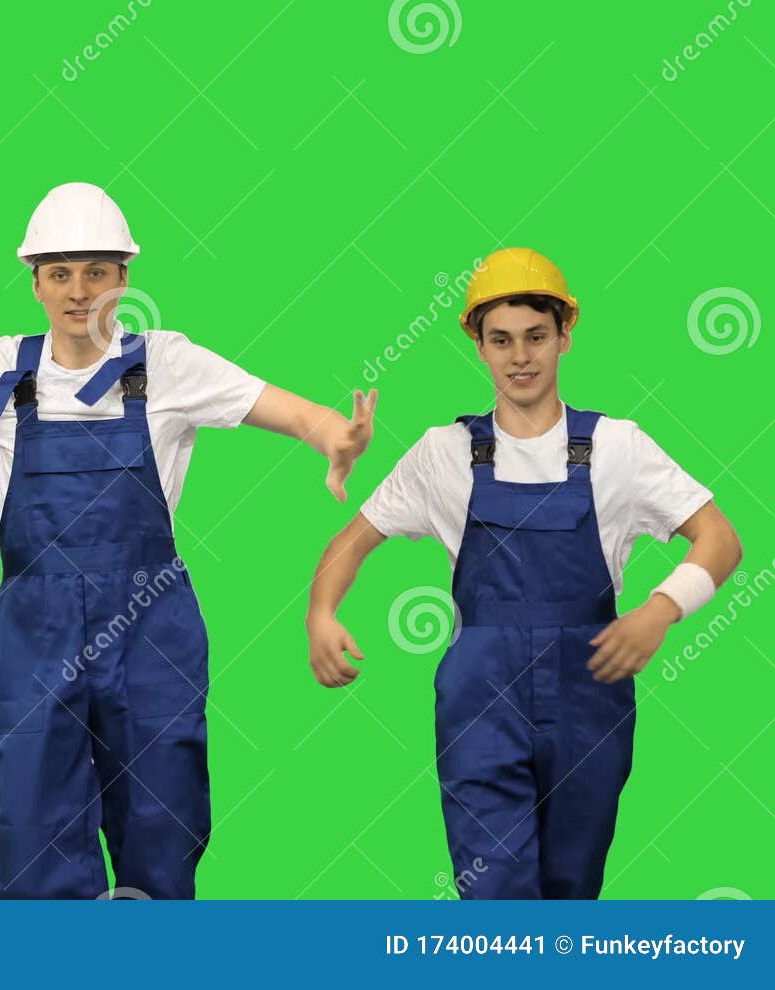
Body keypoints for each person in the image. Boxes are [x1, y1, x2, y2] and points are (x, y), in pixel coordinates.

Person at [0, 182, 377, 898]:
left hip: (151, 625)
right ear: (34, 282)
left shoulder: (169, 363)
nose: (78, 291)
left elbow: (293, 412)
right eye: (60, 274)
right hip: (34, 629)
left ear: (124, 279)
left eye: (96, 272)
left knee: (163, 824)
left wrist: (339, 435)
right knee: (31, 828)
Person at [304, 247, 742, 898]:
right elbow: (352, 540)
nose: (520, 357)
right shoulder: (444, 453)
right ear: (478, 347)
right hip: (481, 705)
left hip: (590, 699)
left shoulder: (619, 447)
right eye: (500, 340)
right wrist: (321, 612)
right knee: (494, 894)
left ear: (565, 335)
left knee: (571, 892)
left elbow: (721, 539)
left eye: (536, 337)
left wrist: (661, 608)